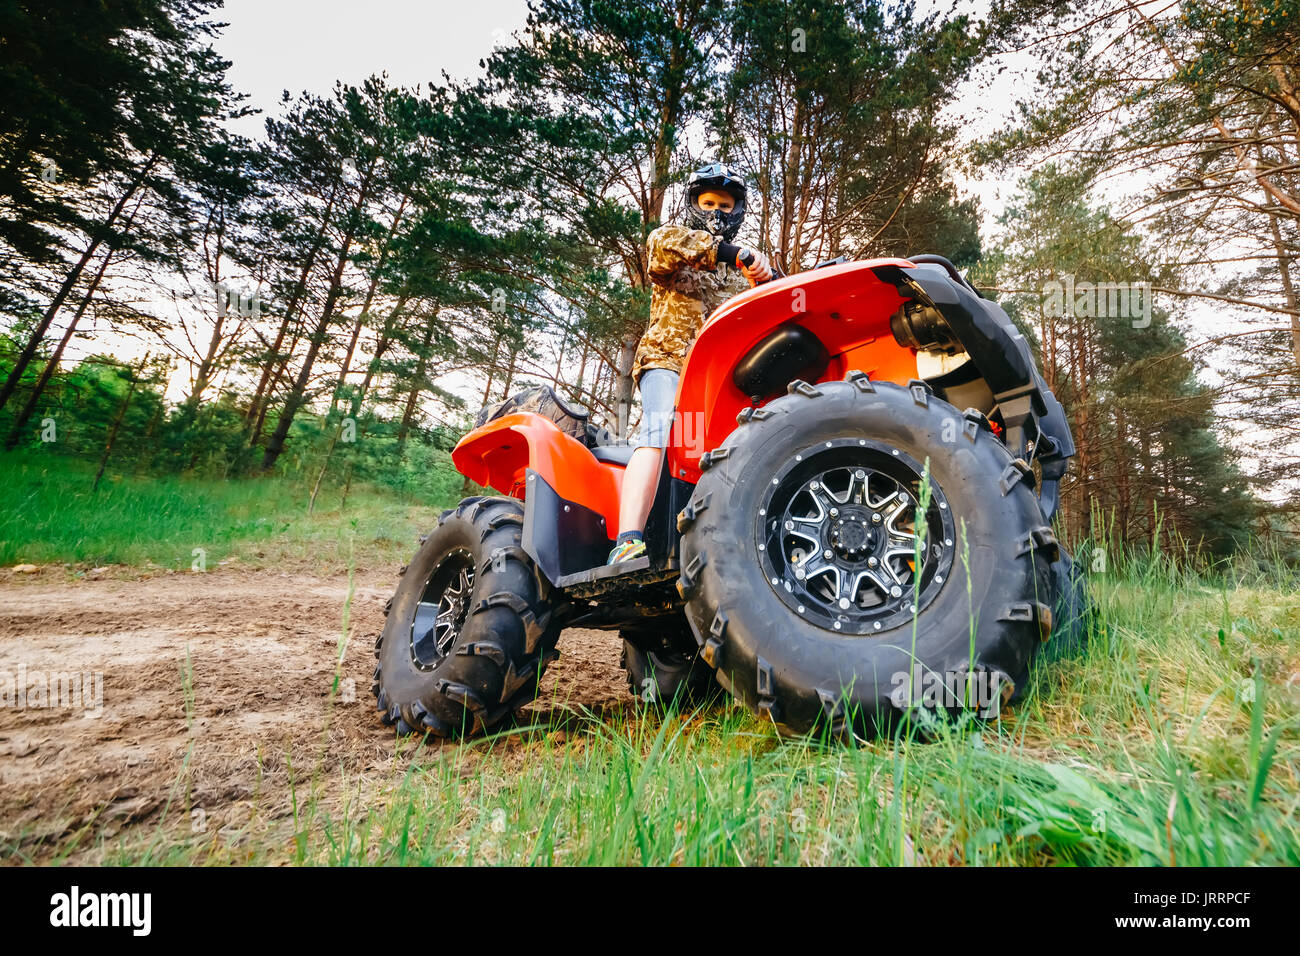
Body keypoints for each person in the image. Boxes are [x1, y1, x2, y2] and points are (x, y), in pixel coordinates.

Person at [608, 162, 772, 563]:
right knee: (658, 431)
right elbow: (666, 247)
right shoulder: (669, 243)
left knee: (721, 451)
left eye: (726, 204)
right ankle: (628, 538)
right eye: (709, 201)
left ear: (738, 211)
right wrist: (740, 253)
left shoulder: (736, 276)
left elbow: (762, 311)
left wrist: (765, 277)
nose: (717, 211)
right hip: (666, 361)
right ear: (694, 204)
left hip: (713, 379)